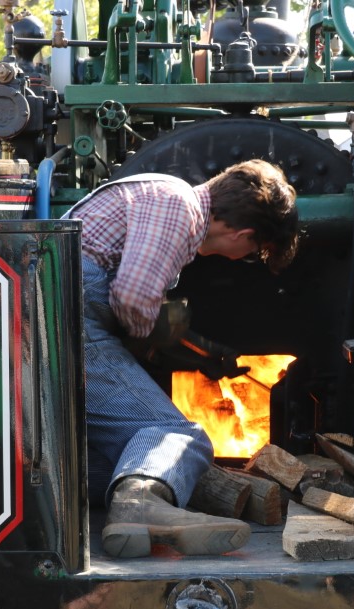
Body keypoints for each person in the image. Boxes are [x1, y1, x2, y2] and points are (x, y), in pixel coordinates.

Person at [62, 159, 298, 558]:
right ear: (242, 235)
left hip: (55, 317)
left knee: (111, 457)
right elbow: (133, 298)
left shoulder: (166, 200)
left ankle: (139, 505)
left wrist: (188, 350)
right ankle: (138, 506)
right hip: (67, 319)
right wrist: (162, 341)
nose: (240, 257)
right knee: (180, 433)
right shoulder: (178, 205)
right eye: (252, 252)